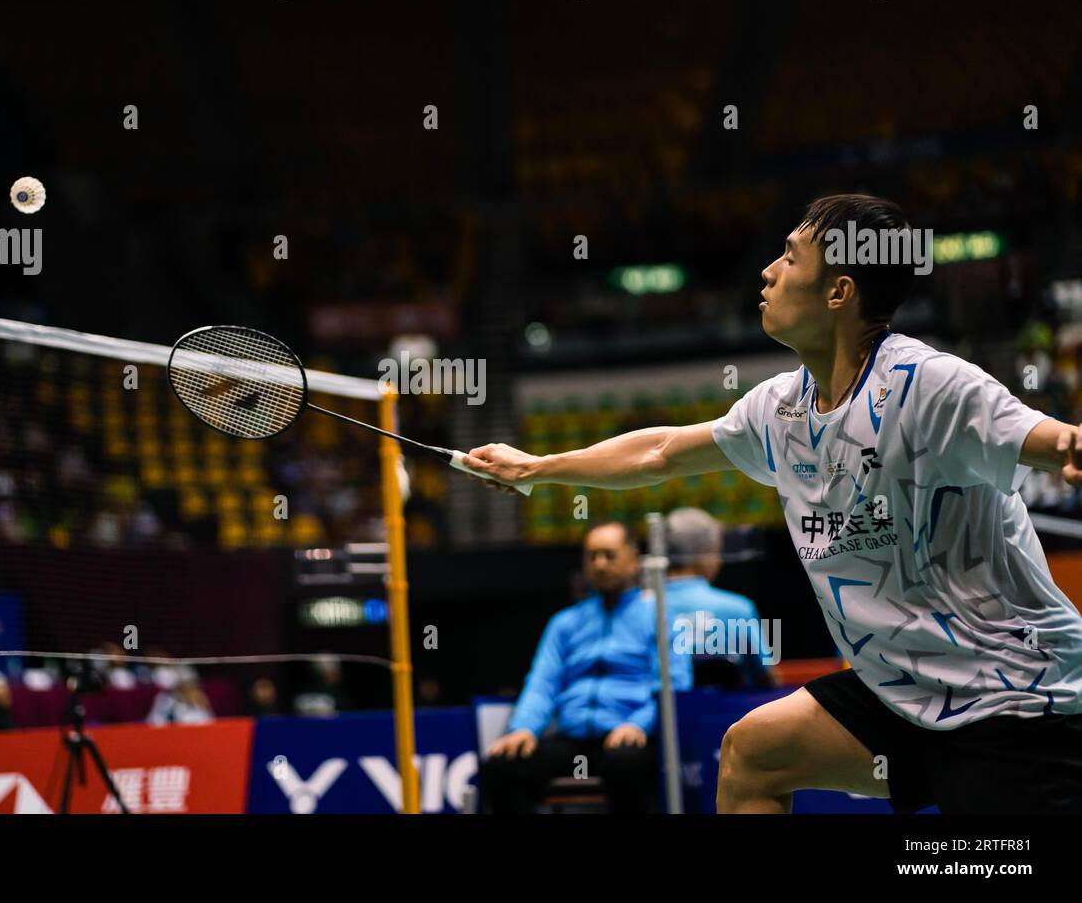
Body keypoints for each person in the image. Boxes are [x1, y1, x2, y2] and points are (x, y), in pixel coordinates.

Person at [464, 194, 1082, 813]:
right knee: (753, 754)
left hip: (1016, 702)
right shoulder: (780, 409)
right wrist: (537, 469)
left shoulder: (932, 387)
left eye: (790, 256)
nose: (768, 271)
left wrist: (1068, 446)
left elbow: (1043, 438)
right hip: (902, 695)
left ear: (838, 292)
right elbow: (661, 453)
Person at [478, 521, 691, 814]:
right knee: (501, 766)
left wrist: (638, 724)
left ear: (633, 561)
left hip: (628, 737)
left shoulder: (660, 616)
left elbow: (673, 687)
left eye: (609, 555)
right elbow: (542, 683)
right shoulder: (564, 623)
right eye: (592, 556)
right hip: (572, 741)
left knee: (626, 763)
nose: (600, 564)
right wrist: (524, 728)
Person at [662, 507, 772, 689]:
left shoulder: (641, 607)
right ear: (704, 550)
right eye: (717, 551)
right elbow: (764, 677)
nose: (719, 561)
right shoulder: (738, 609)